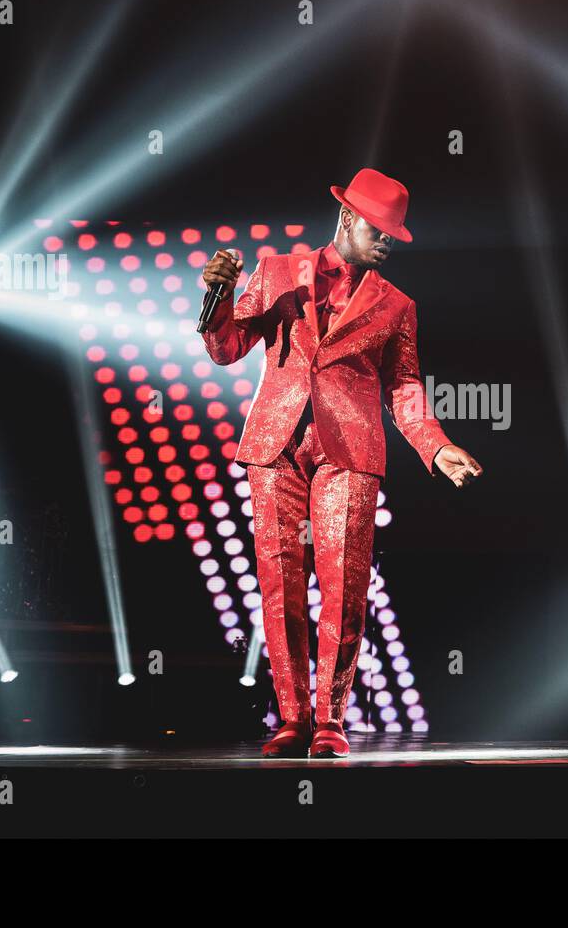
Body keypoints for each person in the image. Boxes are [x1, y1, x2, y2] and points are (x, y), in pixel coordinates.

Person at [199, 168, 482, 757]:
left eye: (392, 235)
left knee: (344, 588)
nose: (384, 242)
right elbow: (228, 350)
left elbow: (404, 390)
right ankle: (292, 718)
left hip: (349, 453)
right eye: (377, 229)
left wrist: (436, 445)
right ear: (347, 218)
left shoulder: (396, 305)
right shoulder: (276, 270)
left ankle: (329, 719)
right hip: (275, 446)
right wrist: (217, 297)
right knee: (279, 587)